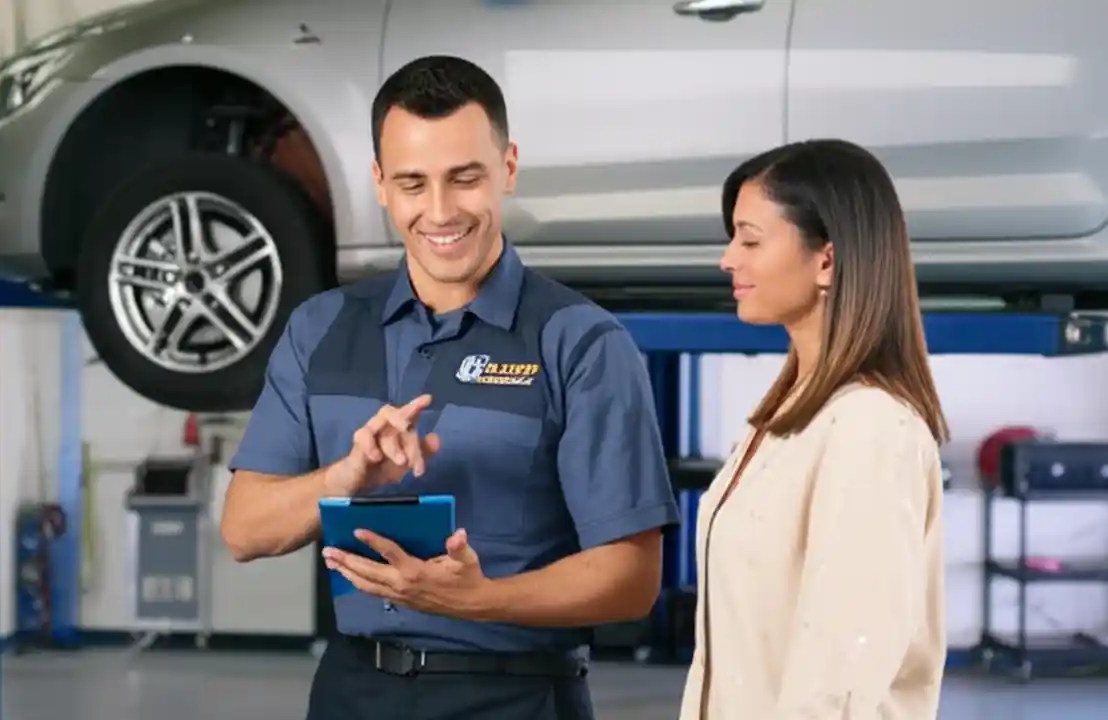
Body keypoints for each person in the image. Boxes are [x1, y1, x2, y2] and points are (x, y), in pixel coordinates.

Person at [219, 54, 680, 720]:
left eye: (464, 179)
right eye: (412, 183)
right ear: (379, 183)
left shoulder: (581, 343)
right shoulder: (319, 329)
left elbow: (631, 581)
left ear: (508, 168)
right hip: (353, 692)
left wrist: (475, 598)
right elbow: (243, 531)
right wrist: (341, 478)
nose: (439, 212)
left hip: (517, 696)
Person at [677, 139, 950, 720]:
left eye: (750, 240)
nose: (729, 259)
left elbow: (839, 671)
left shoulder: (871, 429)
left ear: (826, 259)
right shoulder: (786, 418)